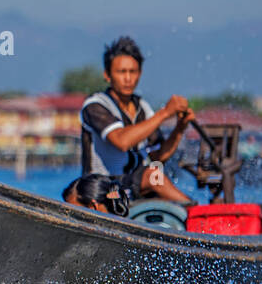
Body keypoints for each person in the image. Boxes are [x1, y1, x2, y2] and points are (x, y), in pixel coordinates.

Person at [80, 36, 196, 206]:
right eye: (121, 72)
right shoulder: (95, 106)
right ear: (107, 75)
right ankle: (195, 211)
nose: (128, 78)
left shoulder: (144, 109)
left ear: (139, 74)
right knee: (153, 177)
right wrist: (164, 113)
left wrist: (180, 128)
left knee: (155, 175)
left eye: (132, 72)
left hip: (132, 188)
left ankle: (195, 214)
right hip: (101, 190)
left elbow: (158, 157)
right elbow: (122, 141)